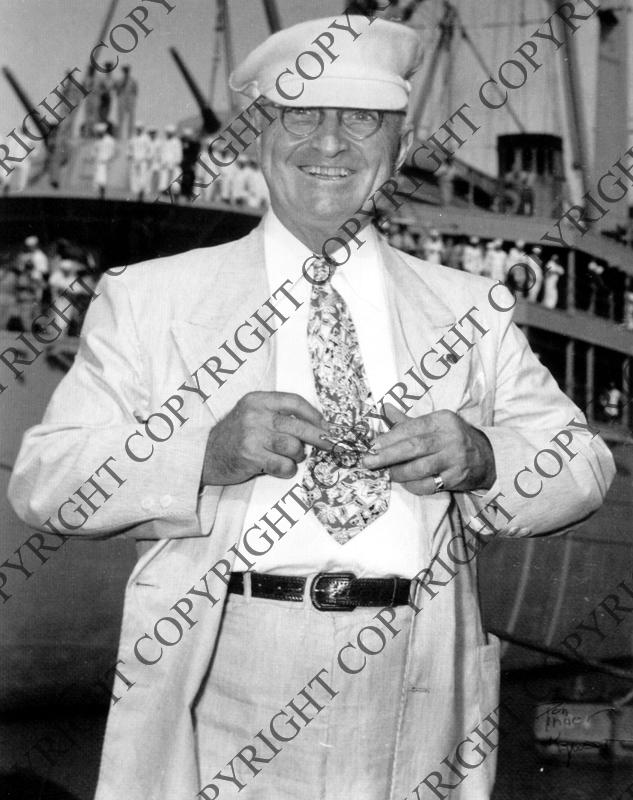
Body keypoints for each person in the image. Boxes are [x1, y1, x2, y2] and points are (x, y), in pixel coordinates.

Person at [9, 16, 615, 800]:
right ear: (258, 133)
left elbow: (584, 463)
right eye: (301, 113)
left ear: (397, 144)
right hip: (224, 675)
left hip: (420, 682)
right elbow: (42, 478)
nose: (328, 143)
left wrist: (486, 455)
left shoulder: (473, 306)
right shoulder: (148, 298)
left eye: (360, 118)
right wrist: (200, 453)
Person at [93, 122, 116, 199]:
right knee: (98, 180)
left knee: (103, 180)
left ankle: (103, 195)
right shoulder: (98, 140)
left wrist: (108, 159)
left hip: (106, 163)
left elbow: (113, 152)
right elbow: (95, 151)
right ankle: (100, 195)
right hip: (99, 162)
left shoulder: (110, 140)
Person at [128, 123, 151, 201]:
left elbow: (149, 150)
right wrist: (130, 155)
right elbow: (129, 149)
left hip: (143, 161)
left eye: (139, 128)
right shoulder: (133, 138)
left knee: (142, 179)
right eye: (137, 128)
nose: (138, 130)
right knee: (134, 178)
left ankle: (141, 196)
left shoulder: (146, 138)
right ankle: (136, 196)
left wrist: (147, 159)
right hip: (135, 161)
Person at [115, 65, 139, 140]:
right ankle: (119, 135)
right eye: (125, 71)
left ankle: (130, 135)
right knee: (120, 118)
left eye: (127, 71)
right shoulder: (119, 80)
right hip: (122, 99)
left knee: (131, 118)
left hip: (130, 100)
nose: (126, 72)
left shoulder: (133, 80)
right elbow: (117, 91)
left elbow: (136, 91)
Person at [159, 125, 183, 194]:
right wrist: (162, 161)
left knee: (175, 175)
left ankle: (174, 190)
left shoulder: (176, 141)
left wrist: (177, 161)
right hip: (165, 162)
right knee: (164, 176)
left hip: (174, 162)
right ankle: (163, 189)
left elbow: (179, 152)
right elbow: (162, 151)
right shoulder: (164, 141)